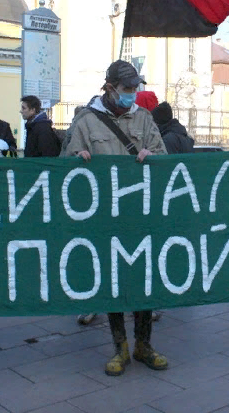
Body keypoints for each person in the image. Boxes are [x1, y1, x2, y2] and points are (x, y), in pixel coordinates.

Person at [62, 60, 168, 377]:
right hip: (104, 219)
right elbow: (62, 167)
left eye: (136, 88)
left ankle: (144, 345)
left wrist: (153, 156)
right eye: (127, 89)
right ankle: (120, 347)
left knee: (143, 282)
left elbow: (164, 158)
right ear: (110, 88)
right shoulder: (85, 122)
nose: (132, 94)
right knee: (113, 283)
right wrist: (76, 160)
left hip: (139, 216)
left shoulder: (145, 119)